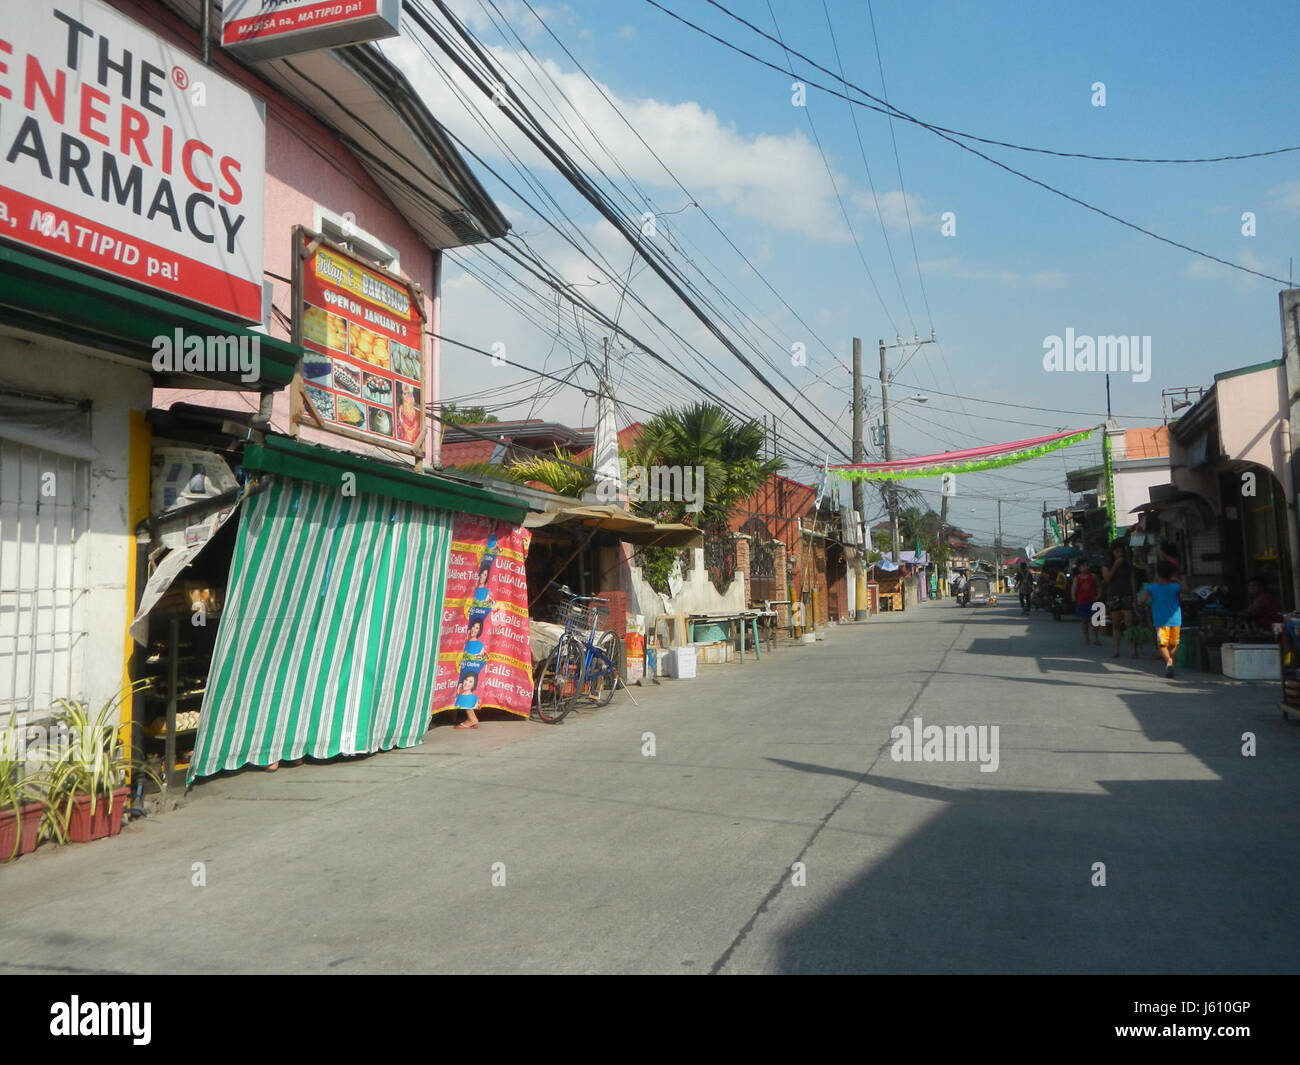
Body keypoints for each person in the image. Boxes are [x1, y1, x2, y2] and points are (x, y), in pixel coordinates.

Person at [1138, 559, 1183, 678]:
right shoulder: (1175, 586)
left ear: (1158, 574)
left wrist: (1150, 603)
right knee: (1173, 645)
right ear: (1171, 574)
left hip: (1160, 620)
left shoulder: (1152, 588)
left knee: (1162, 645)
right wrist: (1177, 580)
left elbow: (1141, 601)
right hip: (1175, 620)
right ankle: (1171, 663)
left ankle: (1168, 662)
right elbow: (1187, 590)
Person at [1101, 541, 1138, 658]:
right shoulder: (1107, 565)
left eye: (1121, 552)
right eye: (1117, 552)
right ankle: (1116, 649)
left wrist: (1135, 598)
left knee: (1129, 623)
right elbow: (1107, 579)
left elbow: (1132, 582)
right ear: (1112, 553)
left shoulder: (1128, 565)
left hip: (1126, 595)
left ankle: (1133, 649)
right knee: (1115, 625)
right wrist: (1116, 565)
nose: (1119, 554)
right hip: (1114, 595)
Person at [1071, 560, 1102, 646]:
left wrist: (1098, 595)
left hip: (1092, 601)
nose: (1086, 567)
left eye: (1087, 565)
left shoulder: (1093, 576)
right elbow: (1074, 588)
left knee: (1095, 621)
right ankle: (1087, 639)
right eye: (1083, 566)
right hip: (1081, 601)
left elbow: (1098, 586)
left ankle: (1096, 638)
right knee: (1084, 621)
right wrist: (1073, 596)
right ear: (1079, 568)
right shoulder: (1077, 578)